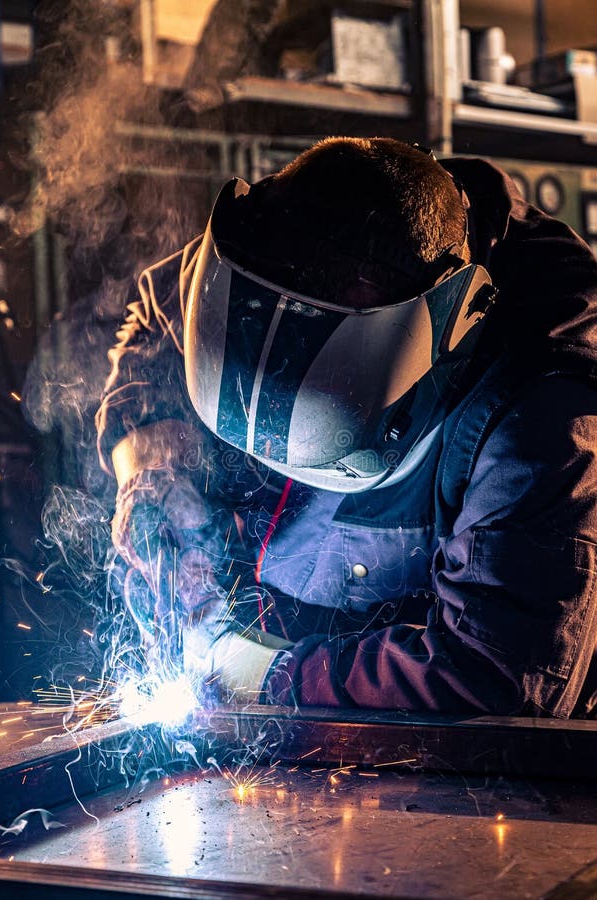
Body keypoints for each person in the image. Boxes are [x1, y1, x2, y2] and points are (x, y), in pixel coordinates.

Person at [96, 137, 597, 717]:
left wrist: (262, 674)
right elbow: (156, 318)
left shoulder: (545, 414)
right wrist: (152, 471)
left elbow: (499, 680)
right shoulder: (262, 250)